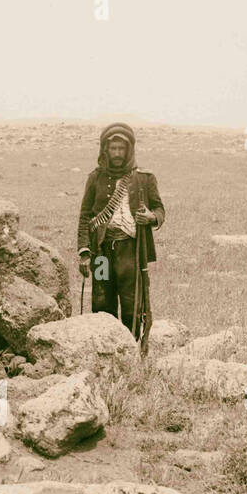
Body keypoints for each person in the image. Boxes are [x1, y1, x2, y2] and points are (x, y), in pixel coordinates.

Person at [76, 122, 165, 335]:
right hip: (101, 253)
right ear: (105, 149)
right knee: (101, 302)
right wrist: (84, 252)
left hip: (130, 253)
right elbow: (85, 216)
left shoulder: (144, 178)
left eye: (121, 148)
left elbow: (159, 209)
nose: (117, 153)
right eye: (113, 148)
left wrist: (152, 217)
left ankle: (131, 349)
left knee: (131, 305)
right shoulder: (95, 177)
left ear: (129, 150)